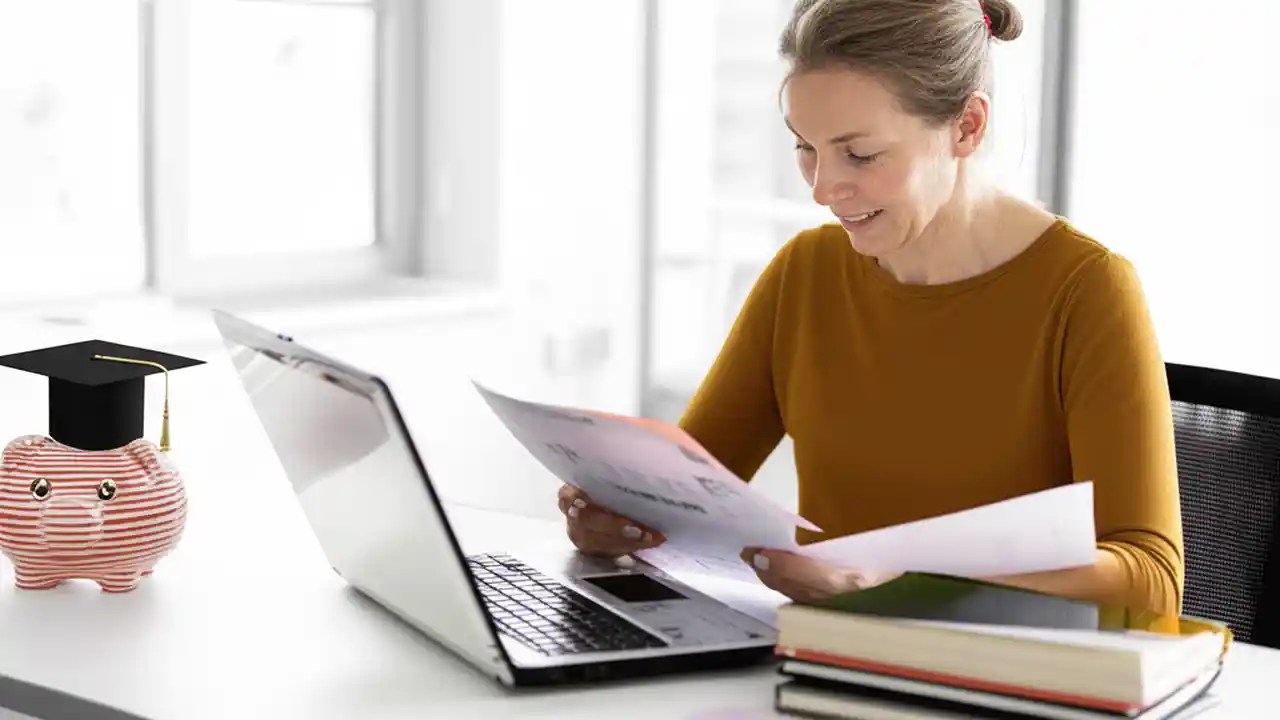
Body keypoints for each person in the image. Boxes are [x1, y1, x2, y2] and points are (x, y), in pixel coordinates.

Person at [557, 0, 1183, 616]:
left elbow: (1150, 577)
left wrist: (896, 583)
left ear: (966, 127)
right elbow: (679, 497)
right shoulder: (804, 275)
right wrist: (621, 519)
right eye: (806, 147)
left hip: (997, 685)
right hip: (817, 667)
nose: (823, 187)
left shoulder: (1087, 291)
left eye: (860, 154)